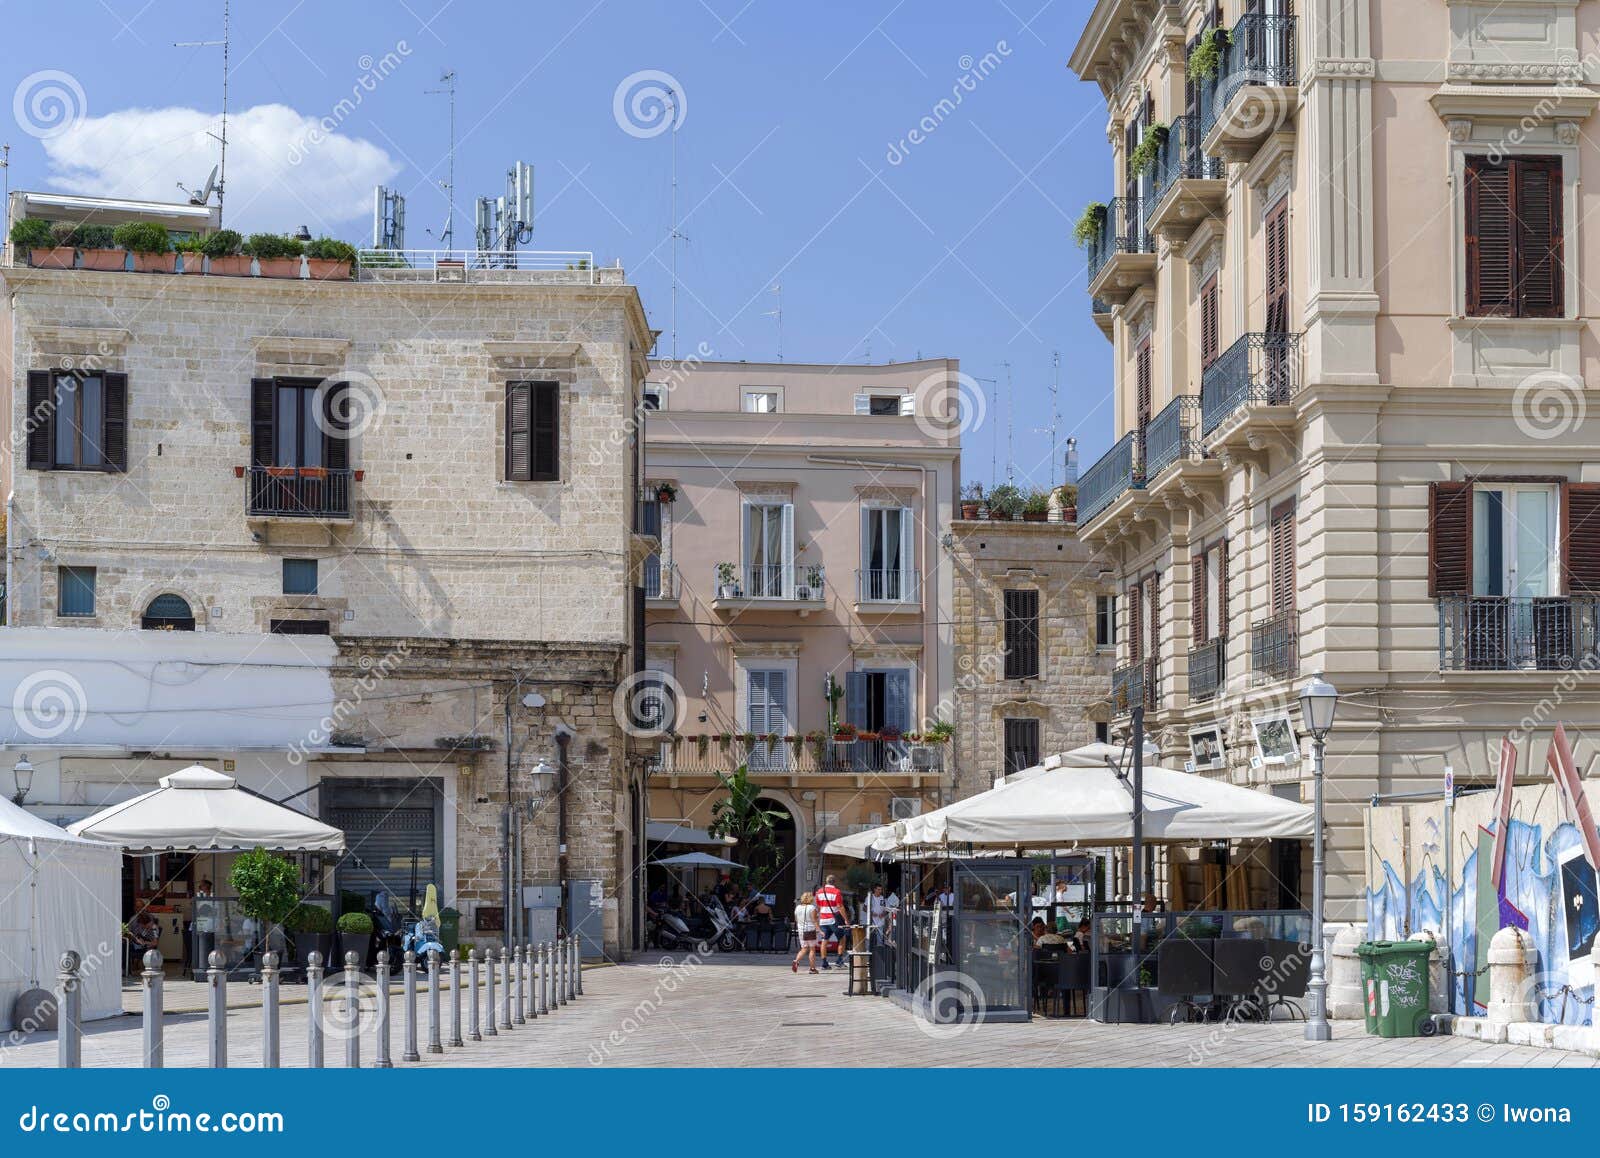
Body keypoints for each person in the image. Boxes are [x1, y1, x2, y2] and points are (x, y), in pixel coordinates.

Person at [814, 875, 847, 970]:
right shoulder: (836, 892)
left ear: (826, 882)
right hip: (833, 920)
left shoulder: (819, 892)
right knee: (842, 938)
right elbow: (840, 907)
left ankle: (824, 963)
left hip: (823, 919)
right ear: (834, 882)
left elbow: (819, 907)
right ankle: (839, 961)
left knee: (824, 940)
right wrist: (846, 919)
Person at [793, 891, 820, 974]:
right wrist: (819, 930)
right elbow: (814, 921)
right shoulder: (812, 908)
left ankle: (796, 961)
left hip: (801, 930)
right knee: (812, 949)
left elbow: (796, 920)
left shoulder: (797, 908)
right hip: (810, 930)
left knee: (804, 948)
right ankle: (812, 969)